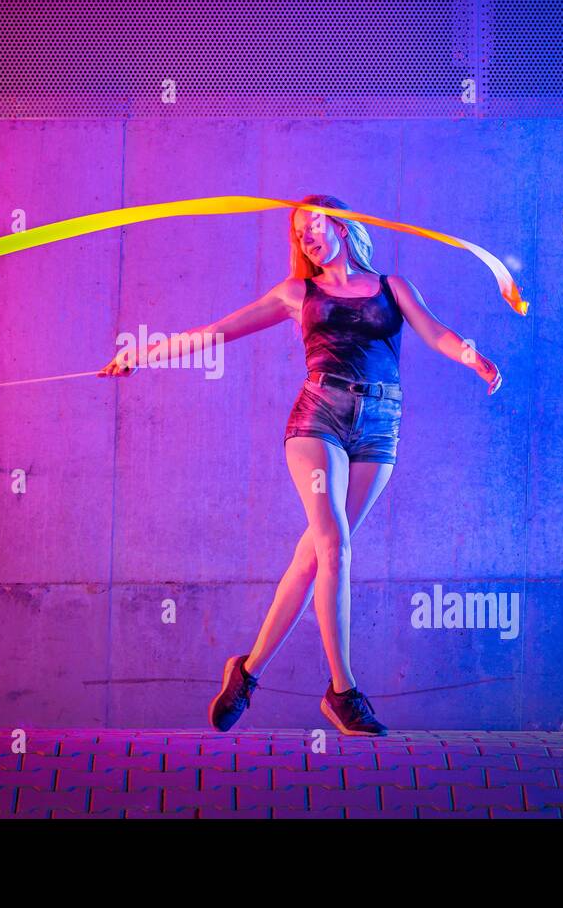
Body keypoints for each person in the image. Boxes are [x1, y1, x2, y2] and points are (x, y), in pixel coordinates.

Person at [99, 194, 502, 736]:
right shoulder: (298, 293)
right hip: (319, 419)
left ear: (340, 224)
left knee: (314, 557)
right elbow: (215, 333)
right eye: (300, 233)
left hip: (381, 427)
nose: (308, 237)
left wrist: (471, 356)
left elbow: (435, 333)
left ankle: (247, 671)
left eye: (314, 225)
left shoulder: (392, 287)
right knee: (334, 545)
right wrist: (141, 355)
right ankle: (343, 692)